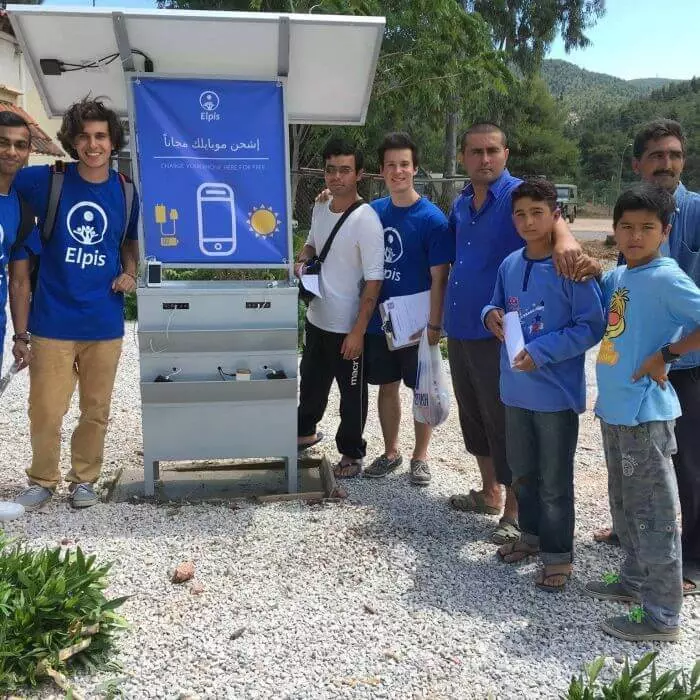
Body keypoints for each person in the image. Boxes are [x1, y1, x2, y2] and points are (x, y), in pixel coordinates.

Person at [445, 122, 595, 544]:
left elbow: (552, 220)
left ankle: (514, 510)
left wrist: (567, 239)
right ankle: (490, 491)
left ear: (506, 153)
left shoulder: (515, 197)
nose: (484, 159)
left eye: (492, 150)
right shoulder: (461, 203)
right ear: (463, 158)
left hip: (505, 336)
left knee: (503, 419)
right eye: (475, 152)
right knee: (472, 412)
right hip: (466, 324)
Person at [584, 183, 700, 642]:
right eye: (627, 227)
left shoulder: (668, 278)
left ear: (665, 231)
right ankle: (632, 580)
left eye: (646, 228)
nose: (635, 235)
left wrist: (668, 354)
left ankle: (662, 615)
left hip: (645, 416)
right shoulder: (622, 275)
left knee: (653, 512)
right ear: (614, 231)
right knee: (625, 504)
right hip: (615, 413)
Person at [11, 97, 139, 510]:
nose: (92, 144)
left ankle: (84, 479)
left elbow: (129, 242)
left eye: (101, 136)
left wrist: (130, 272)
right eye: (83, 136)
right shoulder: (46, 181)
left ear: (112, 141)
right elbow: (5, 178)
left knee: (95, 411)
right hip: (52, 320)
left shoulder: (126, 190)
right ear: (72, 140)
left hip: (104, 322)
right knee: (45, 411)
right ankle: (42, 479)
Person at [482, 179, 606, 591]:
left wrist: (543, 350)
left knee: (554, 480)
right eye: (520, 214)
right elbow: (495, 301)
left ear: (555, 215)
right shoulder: (510, 264)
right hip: (515, 391)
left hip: (554, 394)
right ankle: (531, 537)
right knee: (523, 473)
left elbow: (590, 326)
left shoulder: (571, 266)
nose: (528, 221)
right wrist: (490, 316)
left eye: (538, 212)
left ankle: (558, 556)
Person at [347, 132, 453, 486]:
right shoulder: (373, 212)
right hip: (380, 322)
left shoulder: (432, 219)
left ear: (415, 168)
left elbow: (440, 278)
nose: (398, 171)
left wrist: (435, 324)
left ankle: (419, 457)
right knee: (386, 386)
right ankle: (390, 451)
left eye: (404, 164)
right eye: (391, 165)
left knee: (421, 389)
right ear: (381, 170)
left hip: (416, 323)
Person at [296, 137, 384, 477]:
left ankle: (352, 453)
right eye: (331, 170)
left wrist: (359, 331)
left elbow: (374, 281)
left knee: (351, 396)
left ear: (359, 174)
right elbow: (312, 243)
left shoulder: (367, 220)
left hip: (348, 326)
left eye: (345, 170)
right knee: (312, 383)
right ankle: (304, 433)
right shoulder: (321, 206)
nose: (337, 177)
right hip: (317, 317)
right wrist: (302, 260)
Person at [0, 112, 33, 370]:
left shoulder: (22, 211)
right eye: (3, 142)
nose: (11, 151)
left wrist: (21, 336)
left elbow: (20, 281)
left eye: (20, 145)